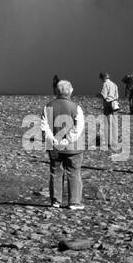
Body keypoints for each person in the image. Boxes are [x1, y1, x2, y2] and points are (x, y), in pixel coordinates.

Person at [39, 80, 85, 209]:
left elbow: (44, 127)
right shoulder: (76, 107)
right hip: (73, 148)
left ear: (56, 91)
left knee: (55, 172)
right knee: (74, 173)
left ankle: (56, 201)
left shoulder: (47, 107)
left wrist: (54, 140)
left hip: (54, 147)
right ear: (70, 91)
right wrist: (66, 141)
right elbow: (78, 128)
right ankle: (74, 202)